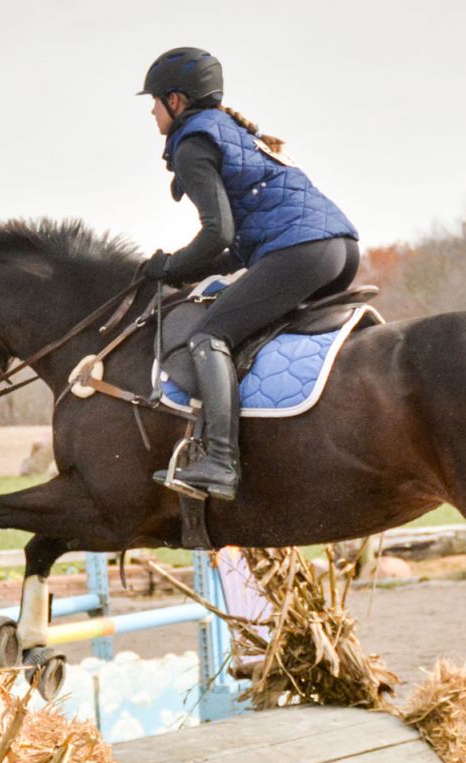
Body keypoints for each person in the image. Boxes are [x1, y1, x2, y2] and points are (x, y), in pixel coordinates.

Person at [139, 46, 360, 501]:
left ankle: (219, 460)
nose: (151, 110)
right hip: (339, 249)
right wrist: (183, 272)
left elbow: (216, 233)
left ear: (176, 102)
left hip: (301, 251)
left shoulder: (193, 142)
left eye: (155, 100)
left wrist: (167, 266)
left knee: (209, 336)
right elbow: (238, 247)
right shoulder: (228, 131)